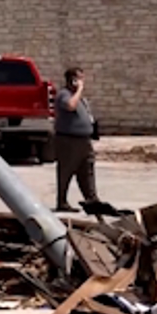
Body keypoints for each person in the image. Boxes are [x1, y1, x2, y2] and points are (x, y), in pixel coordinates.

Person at [53, 67, 98, 212]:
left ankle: (92, 199)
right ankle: (62, 201)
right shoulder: (64, 95)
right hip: (69, 140)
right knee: (66, 170)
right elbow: (70, 106)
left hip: (84, 140)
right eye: (79, 78)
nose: (81, 82)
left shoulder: (81, 99)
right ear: (72, 79)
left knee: (87, 170)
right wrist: (79, 90)